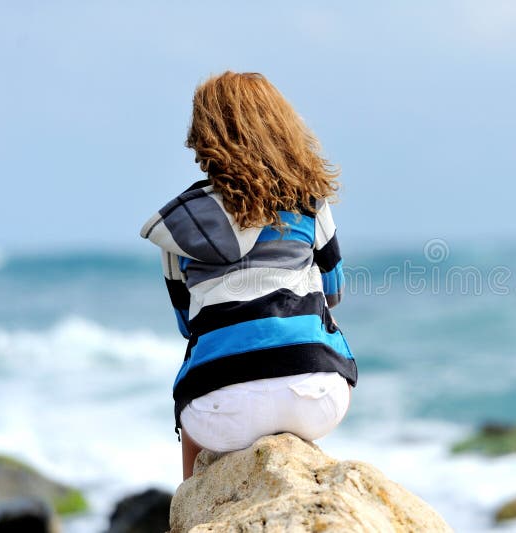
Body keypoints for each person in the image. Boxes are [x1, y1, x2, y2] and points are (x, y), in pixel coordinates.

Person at [140, 72, 357, 480]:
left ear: (205, 137)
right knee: (310, 342)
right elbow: (334, 291)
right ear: (283, 129)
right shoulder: (310, 203)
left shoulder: (181, 226)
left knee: (199, 390)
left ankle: (191, 502)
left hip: (218, 409)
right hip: (315, 397)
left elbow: (187, 324)